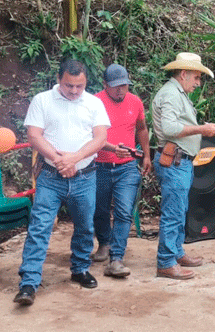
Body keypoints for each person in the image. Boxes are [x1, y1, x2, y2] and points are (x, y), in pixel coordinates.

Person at [14, 58, 110, 305]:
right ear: (59, 80)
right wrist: (59, 160)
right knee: (40, 226)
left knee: (85, 225)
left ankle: (80, 268)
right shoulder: (42, 100)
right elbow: (34, 135)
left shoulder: (94, 103)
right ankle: (29, 282)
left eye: (79, 86)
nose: (74, 91)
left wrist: (74, 158)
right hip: (50, 176)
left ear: (86, 82)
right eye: (69, 86)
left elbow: (100, 138)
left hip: (85, 176)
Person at [151, 52, 215, 280]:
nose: (198, 83)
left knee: (179, 210)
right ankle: (166, 262)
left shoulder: (177, 93)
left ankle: (176, 253)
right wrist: (202, 129)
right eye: (196, 77)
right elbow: (170, 129)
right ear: (184, 74)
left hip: (180, 161)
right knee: (173, 213)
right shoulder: (171, 94)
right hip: (175, 161)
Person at [91, 64, 152, 278]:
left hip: (127, 167)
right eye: (115, 86)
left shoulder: (135, 102)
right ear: (104, 84)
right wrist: (110, 149)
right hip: (99, 165)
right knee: (99, 209)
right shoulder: (94, 102)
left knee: (124, 211)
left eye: (124, 85)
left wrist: (146, 155)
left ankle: (117, 258)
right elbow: (89, 134)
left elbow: (142, 128)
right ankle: (104, 243)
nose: (120, 90)